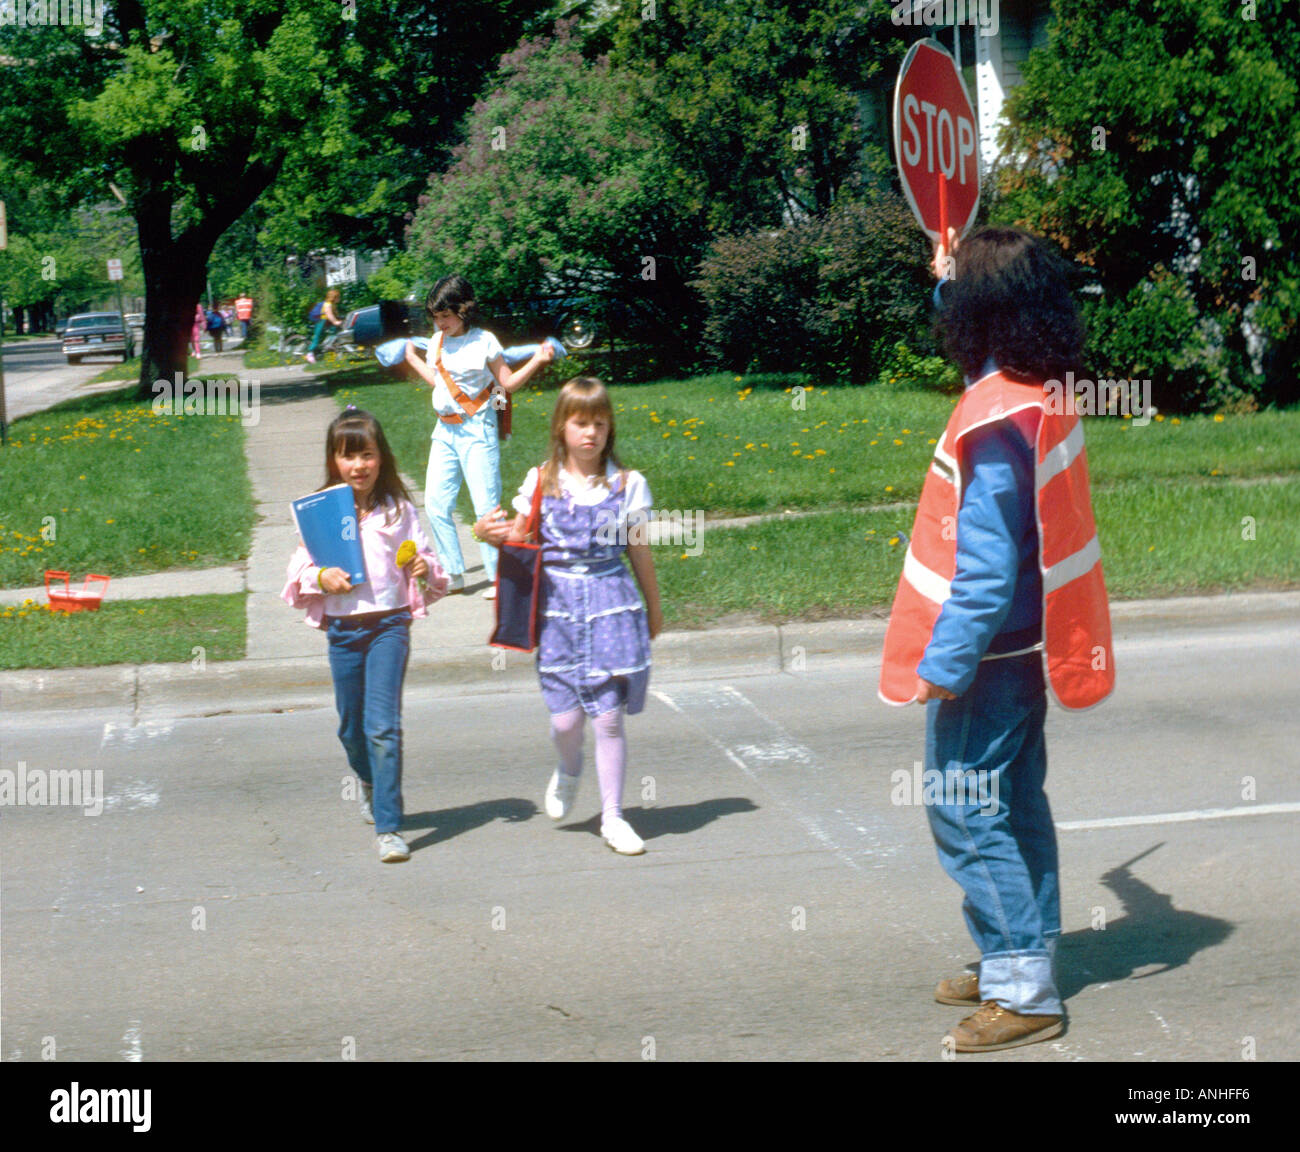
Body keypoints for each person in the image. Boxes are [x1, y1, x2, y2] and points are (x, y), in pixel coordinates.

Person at [878, 227, 1114, 1053]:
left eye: (964, 294)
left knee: (966, 812)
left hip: (985, 658)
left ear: (985, 314)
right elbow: (974, 336)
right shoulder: (1034, 386)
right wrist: (950, 279)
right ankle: (1019, 951)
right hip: (1027, 649)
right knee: (1015, 805)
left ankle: (1024, 989)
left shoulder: (991, 415)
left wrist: (942, 667)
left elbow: (980, 573)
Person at [475, 377, 663, 855]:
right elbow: (519, 542)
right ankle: (569, 767)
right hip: (556, 611)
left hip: (610, 606)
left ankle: (614, 817)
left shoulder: (627, 484)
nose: (591, 433)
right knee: (564, 723)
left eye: (600, 423)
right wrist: (487, 534)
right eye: (581, 422)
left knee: (609, 719)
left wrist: (653, 609)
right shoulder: (541, 481)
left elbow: (638, 551)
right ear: (561, 427)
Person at [281, 407, 450, 863]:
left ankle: (390, 826)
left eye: (368, 455)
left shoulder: (399, 509)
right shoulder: (321, 511)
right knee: (351, 728)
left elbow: (430, 564)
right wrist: (321, 577)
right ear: (334, 460)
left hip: (389, 625)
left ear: (382, 458)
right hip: (343, 630)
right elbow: (300, 569)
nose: (359, 466)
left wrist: (421, 568)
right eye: (348, 456)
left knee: (383, 727)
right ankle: (368, 779)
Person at [403, 275, 554, 599]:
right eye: (435, 317)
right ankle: (453, 573)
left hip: (477, 430)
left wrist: (538, 359)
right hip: (444, 430)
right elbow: (438, 381)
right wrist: (413, 359)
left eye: (446, 315)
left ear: (464, 309)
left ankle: (500, 577)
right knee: (435, 504)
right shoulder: (437, 341)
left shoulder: (484, 340)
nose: (440, 322)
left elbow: (508, 383)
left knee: (486, 505)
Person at [305, 287, 343, 363]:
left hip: (326, 322)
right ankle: (309, 354)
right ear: (334, 297)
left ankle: (330, 346)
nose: (339, 299)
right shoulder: (327, 304)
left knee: (334, 331)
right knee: (317, 337)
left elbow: (335, 315)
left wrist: (339, 320)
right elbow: (329, 315)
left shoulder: (332, 305)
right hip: (321, 322)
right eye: (338, 297)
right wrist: (335, 322)